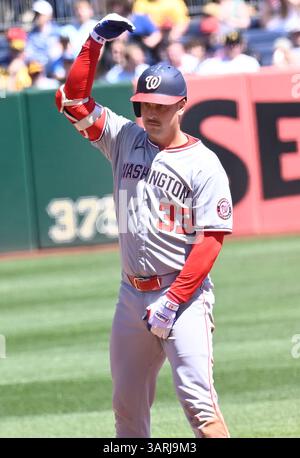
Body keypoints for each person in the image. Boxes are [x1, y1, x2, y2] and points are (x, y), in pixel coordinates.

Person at [55, 13, 233, 438]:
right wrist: (94, 40)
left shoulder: (204, 165)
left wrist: (173, 301)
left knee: (200, 409)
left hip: (183, 297)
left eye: (161, 106)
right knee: (127, 414)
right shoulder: (125, 138)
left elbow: (210, 241)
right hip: (130, 295)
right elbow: (72, 101)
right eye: (145, 105)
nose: (151, 113)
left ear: (181, 106)